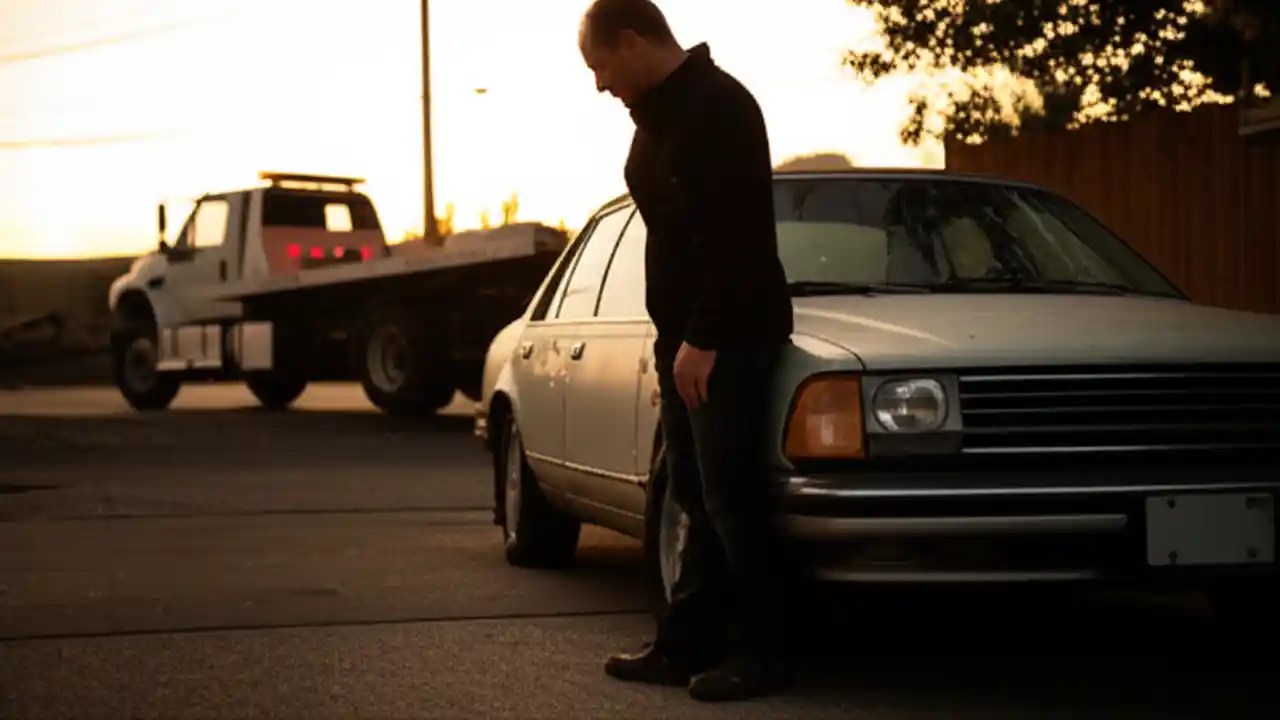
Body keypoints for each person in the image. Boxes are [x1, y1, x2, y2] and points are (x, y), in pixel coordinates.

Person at [578, 0, 795, 703]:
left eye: (601, 66)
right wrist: (675, 339)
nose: (600, 85)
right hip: (684, 340)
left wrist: (704, 337)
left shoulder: (719, 107)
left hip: (728, 336)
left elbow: (737, 238)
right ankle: (686, 645)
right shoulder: (657, 115)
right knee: (694, 495)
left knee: (733, 500)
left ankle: (763, 655)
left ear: (631, 41)